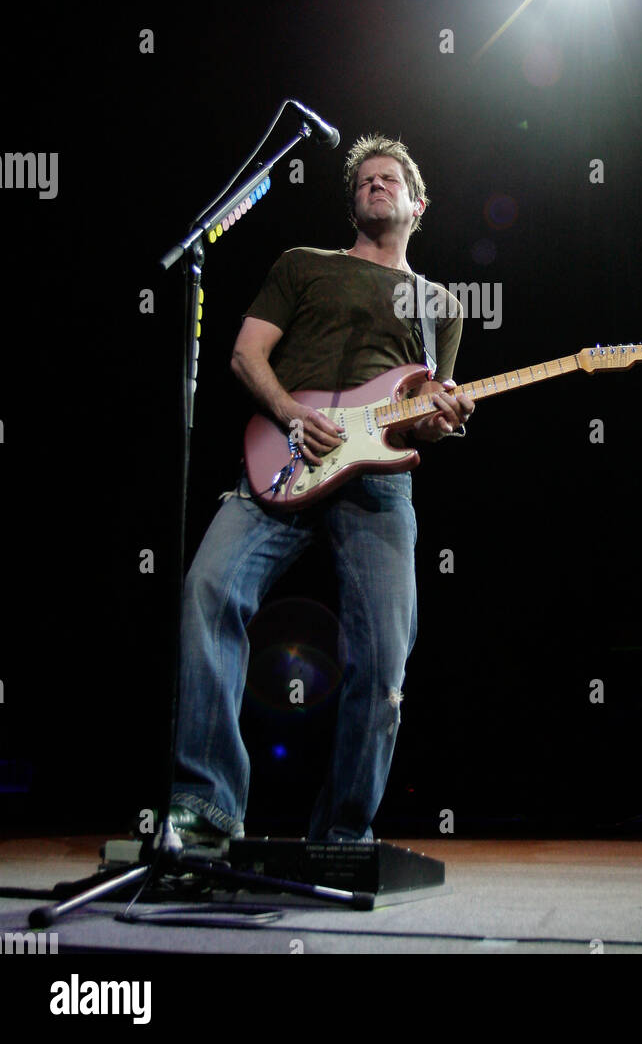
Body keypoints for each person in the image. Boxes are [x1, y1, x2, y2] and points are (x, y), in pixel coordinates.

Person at [162, 134, 474, 847]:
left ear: (418, 204)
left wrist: (444, 420)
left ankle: (342, 833)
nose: (375, 184)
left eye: (390, 177)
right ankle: (207, 803)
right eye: (364, 179)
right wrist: (292, 414)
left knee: (386, 658)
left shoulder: (439, 305)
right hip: (281, 458)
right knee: (207, 592)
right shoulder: (302, 265)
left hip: (378, 488)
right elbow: (246, 353)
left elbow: (426, 419)